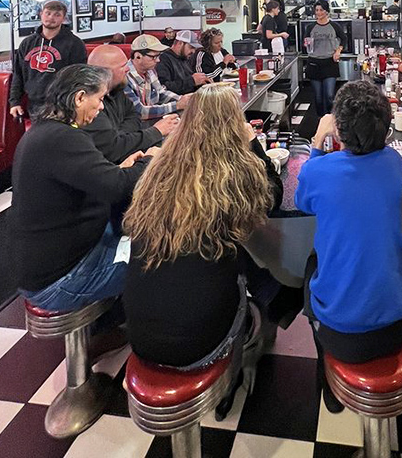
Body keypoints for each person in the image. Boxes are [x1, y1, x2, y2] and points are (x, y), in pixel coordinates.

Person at [123, 86, 290, 414]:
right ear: (233, 121)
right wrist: (252, 143)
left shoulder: (159, 168)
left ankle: (270, 315)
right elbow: (273, 196)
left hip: (140, 335)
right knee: (255, 269)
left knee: (225, 259)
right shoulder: (235, 172)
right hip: (199, 344)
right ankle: (232, 376)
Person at [295, 81, 402, 412]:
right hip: (398, 321)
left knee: (309, 268)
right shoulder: (393, 162)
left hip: (342, 331)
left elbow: (302, 200)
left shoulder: (320, 169)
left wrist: (318, 141)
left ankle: (329, 380)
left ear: (340, 127)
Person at [11, 64, 150, 311]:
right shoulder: (63, 139)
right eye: (98, 99)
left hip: (58, 260)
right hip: (60, 280)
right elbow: (117, 188)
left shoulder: (48, 132)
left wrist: (122, 170)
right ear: (79, 97)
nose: (101, 106)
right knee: (167, 256)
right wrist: (152, 160)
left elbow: (99, 179)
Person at [85, 45, 180, 163]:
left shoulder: (117, 89)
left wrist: (121, 137)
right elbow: (113, 150)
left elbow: (135, 115)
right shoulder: (89, 103)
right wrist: (156, 131)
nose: (128, 69)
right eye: (123, 66)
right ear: (105, 72)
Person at [9, 0, 87, 120]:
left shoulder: (75, 44)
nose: (51, 17)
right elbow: (18, 74)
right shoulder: (27, 43)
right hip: (34, 105)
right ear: (41, 14)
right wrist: (14, 102)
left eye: (57, 15)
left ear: (64, 18)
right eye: (48, 13)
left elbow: (79, 78)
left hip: (62, 106)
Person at [125, 34, 193, 120]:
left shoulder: (150, 71)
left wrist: (183, 100)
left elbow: (160, 93)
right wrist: (177, 105)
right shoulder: (125, 77)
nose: (158, 60)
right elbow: (139, 112)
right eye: (154, 56)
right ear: (138, 56)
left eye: (159, 56)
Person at [305, 0, 344, 116]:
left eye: (321, 10)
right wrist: (306, 44)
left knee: (329, 95)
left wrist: (338, 50)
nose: (319, 12)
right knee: (318, 97)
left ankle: (330, 119)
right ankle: (320, 120)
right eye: (317, 10)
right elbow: (306, 41)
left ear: (326, 11)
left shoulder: (334, 26)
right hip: (314, 63)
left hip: (329, 63)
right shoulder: (310, 27)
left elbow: (344, 38)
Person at [157, 30, 208, 94]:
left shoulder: (184, 58)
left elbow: (188, 82)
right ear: (180, 43)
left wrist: (201, 82)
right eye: (191, 47)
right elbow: (163, 88)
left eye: (195, 48)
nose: (193, 51)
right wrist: (192, 81)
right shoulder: (163, 59)